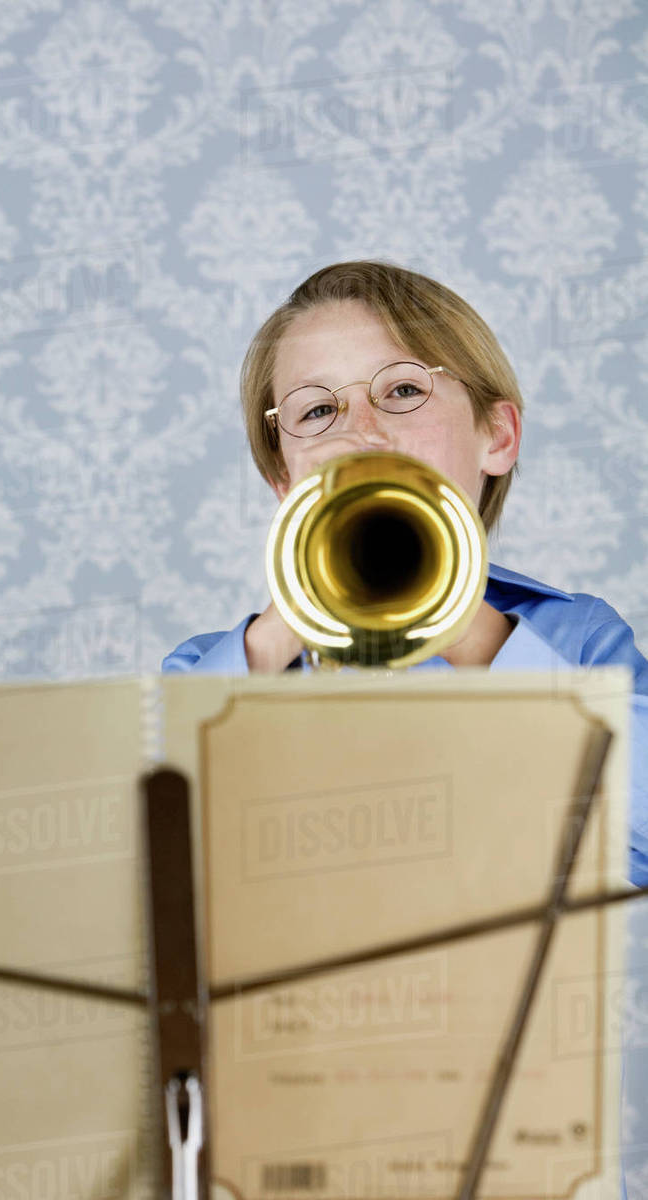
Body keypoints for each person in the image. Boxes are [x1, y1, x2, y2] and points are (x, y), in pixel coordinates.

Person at [161, 261, 648, 886]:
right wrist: (276, 638)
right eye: (315, 412)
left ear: (496, 436)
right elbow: (148, 860)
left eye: (403, 391)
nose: (361, 432)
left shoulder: (578, 639)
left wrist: (475, 635)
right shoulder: (210, 667)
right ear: (284, 481)